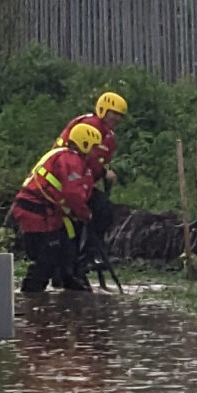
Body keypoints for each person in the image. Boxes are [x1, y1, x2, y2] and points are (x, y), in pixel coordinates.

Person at [12, 121, 104, 293]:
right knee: (49, 255)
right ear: (84, 143)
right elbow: (73, 195)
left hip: (46, 212)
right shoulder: (70, 160)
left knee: (64, 251)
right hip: (37, 212)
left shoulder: (67, 157)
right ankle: (31, 296)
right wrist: (85, 214)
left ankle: (70, 288)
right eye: (93, 147)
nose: (95, 152)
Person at [55, 90, 128, 274]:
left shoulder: (109, 137)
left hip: (83, 182)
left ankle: (86, 256)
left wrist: (104, 173)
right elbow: (79, 157)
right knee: (99, 211)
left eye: (120, 116)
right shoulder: (88, 126)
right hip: (67, 182)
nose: (117, 119)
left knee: (100, 211)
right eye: (114, 113)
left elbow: (96, 161)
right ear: (103, 109)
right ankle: (86, 255)